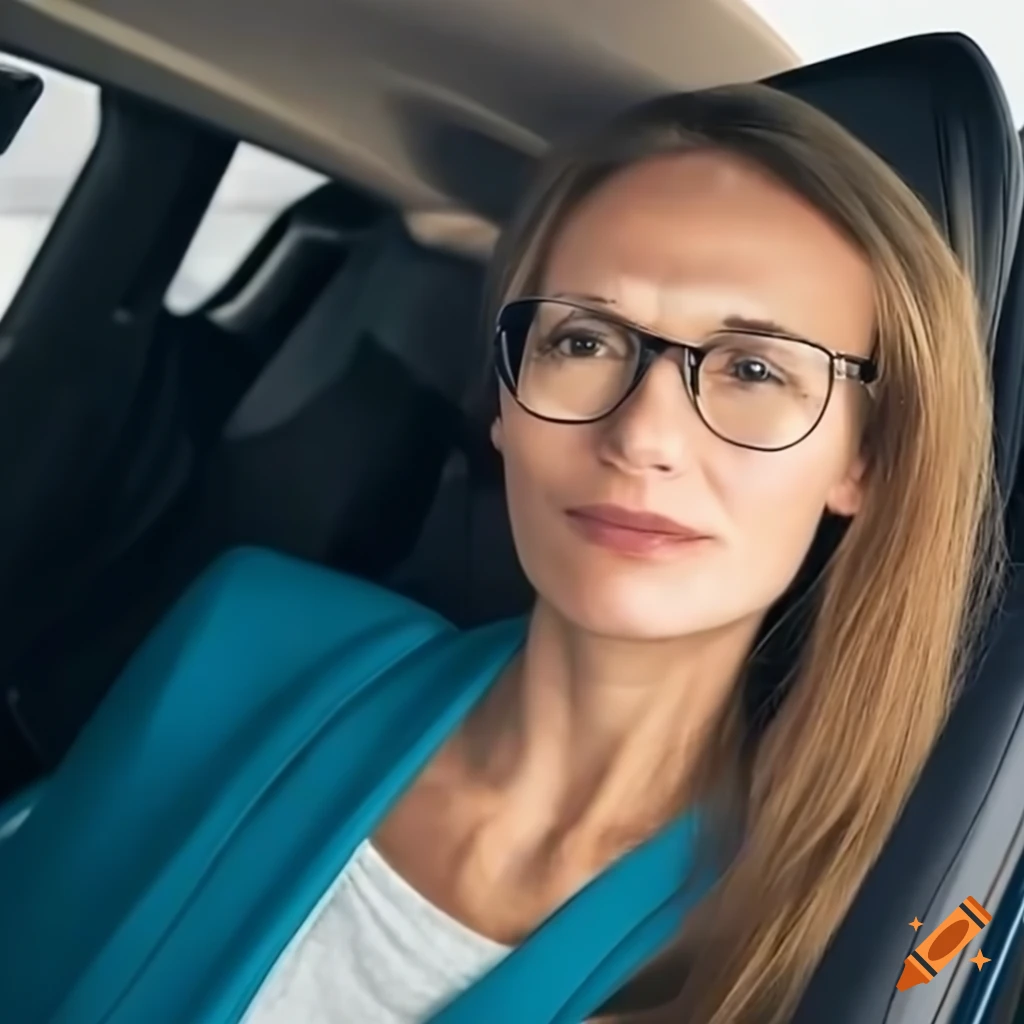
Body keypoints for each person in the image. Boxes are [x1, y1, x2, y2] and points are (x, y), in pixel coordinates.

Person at [0, 83, 1002, 1024]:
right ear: (504, 405)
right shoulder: (242, 642)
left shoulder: (851, 943)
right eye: (585, 341)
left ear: (862, 461)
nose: (642, 436)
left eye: (752, 367)